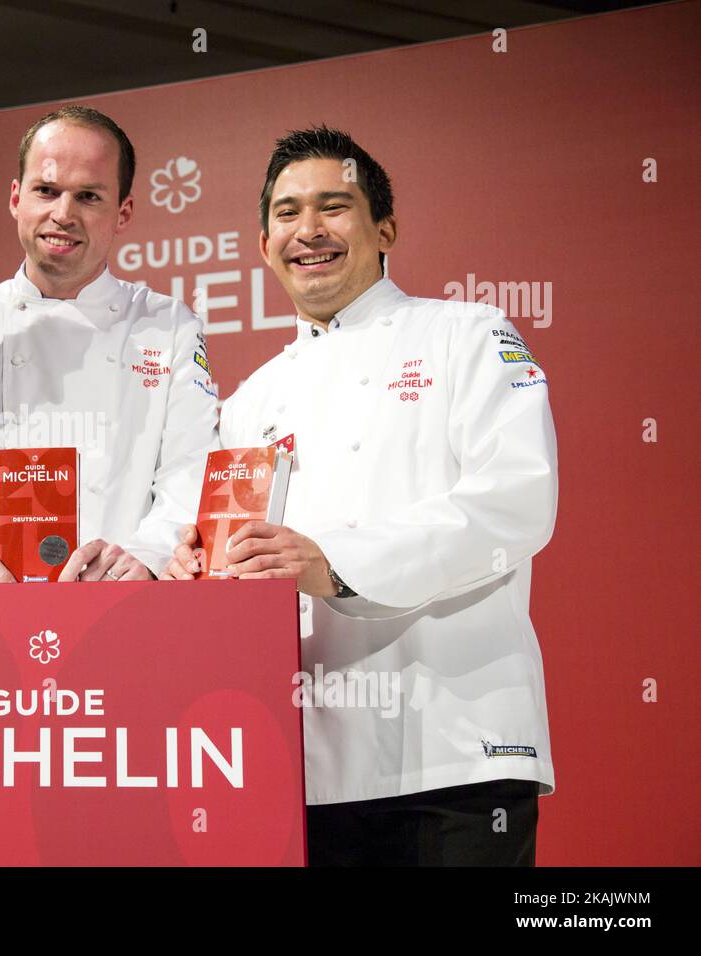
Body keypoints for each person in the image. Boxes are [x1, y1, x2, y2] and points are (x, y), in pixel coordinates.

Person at [163, 126, 558, 866]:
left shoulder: (469, 334)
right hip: (303, 761)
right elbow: (248, 566)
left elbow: (515, 502)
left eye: (333, 206)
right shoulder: (250, 402)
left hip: (453, 746)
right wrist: (205, 568)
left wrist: (333, 562)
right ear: (262, 245)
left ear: (385, 229)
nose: (307, 230)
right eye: (286, 214)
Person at [0, 106, 219, 585]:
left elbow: (193, 468)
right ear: (16, 198)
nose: (63, 215)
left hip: (122, 605)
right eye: (46, 190)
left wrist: (147, 557)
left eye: (88, 196)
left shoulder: (169, 326)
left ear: (123, 212)